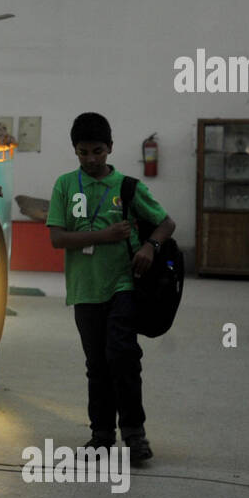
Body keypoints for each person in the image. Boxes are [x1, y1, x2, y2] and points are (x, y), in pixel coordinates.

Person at [45, 113, 176, 461]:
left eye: (98, 151)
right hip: (85, 288)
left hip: (124, 283)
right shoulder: (64, 186)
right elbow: (58, 238)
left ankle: (134, 434)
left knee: (123, 354)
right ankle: (101, 435)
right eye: (83, 152)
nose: (91, 159)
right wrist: (103, 236)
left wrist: (150, 247)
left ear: (110, 148)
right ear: (75, 151)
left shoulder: (128, 187)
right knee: (97, 363)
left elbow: (166, 223)